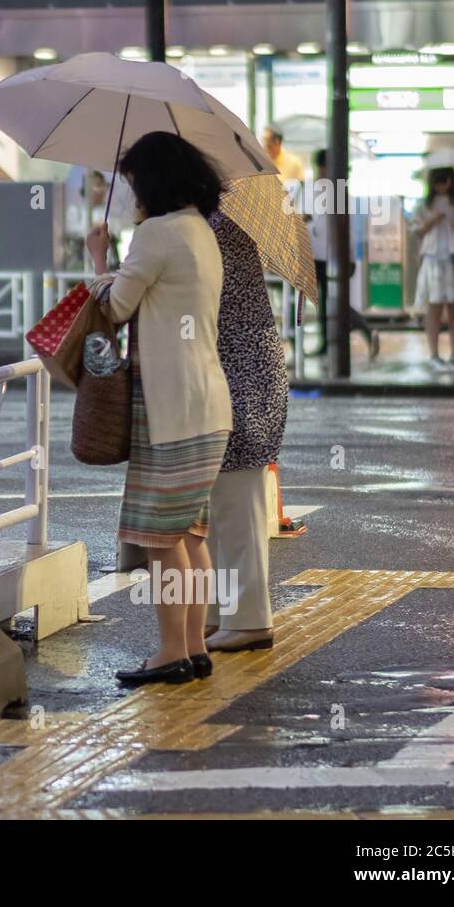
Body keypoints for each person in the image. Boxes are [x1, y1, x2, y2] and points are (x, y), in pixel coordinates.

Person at [87, 132, 232, 688]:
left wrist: (97, 261)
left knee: (160, 540)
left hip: (171, 413)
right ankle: (192, 648)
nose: (129, 193)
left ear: (151, 181)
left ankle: (171, 651)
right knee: (190, 537)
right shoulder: (200, 229)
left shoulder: (155, 233)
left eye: (131, 182)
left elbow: (117, 305)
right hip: (208, 406)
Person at [202, 210, 290, 653]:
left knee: (238, 504)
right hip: (247, 375)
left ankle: (250, 619)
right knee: (225, 503)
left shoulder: (212, 231)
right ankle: (224, 614)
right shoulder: (225, 224)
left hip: (241, 382)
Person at [309, 150, 379, 361]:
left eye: (321, 167)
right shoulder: (327, 190)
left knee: (334, 300)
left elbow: (332, 226)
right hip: (326, 255)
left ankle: (363, 329)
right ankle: (328, 341)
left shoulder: (334, 190)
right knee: (328, 299)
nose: (319, 172)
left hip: (331, 256)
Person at [413, 166, 454, 371]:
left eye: (445, 180)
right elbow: (417, 230)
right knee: (433, 310)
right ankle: (434, 355)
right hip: (434, 260)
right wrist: (433, 220)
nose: (442, 184)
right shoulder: (424, 204)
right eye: (438, 180)